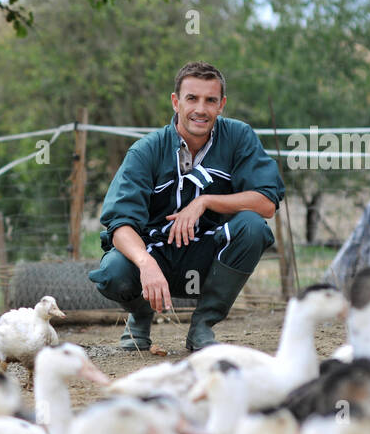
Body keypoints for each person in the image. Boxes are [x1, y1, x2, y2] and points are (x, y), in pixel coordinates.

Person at [88, 61, 284, 351]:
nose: (200, 109)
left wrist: (205, 201)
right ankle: (140, 315)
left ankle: (202, 325)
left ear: (222, 105)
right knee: (113, 270)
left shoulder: (239, 138)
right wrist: (145, 264)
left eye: (210, 100)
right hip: (156, 256)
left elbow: (266, 203)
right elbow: (120, 223)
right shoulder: (146, 151)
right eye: (192, 98)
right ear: (176, 102)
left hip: (208, 255)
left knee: (254, 227)